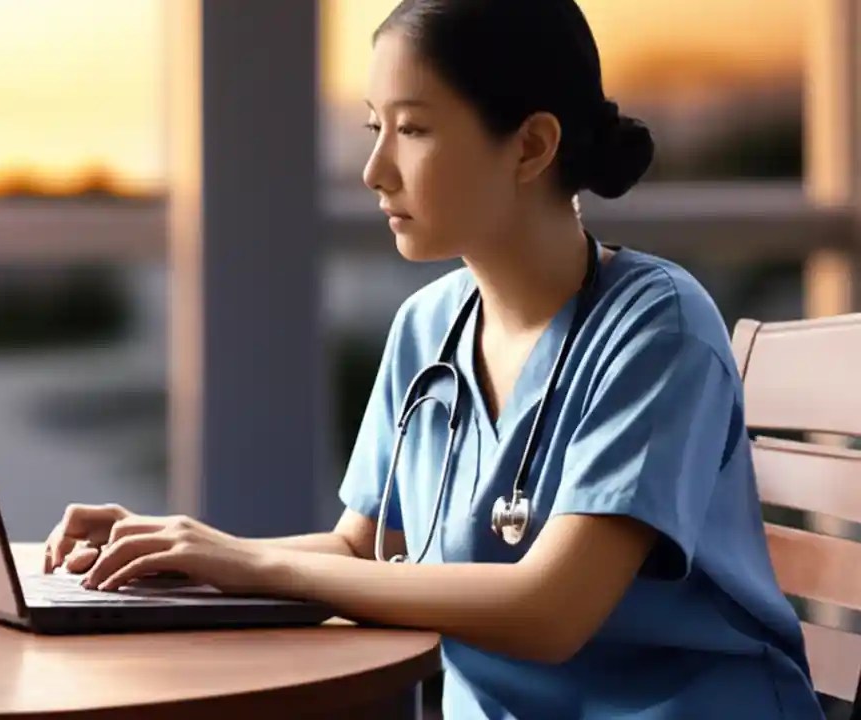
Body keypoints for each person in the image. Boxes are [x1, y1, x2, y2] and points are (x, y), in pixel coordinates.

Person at [42, 1, 823, 717]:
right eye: (372, 128)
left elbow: (551, 611)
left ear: (531, 146)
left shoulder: (658, 328)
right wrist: (187, 553)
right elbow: (361, 548)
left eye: (412, 129)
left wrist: (257, 568)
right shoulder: (428, 327)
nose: (375, 171)